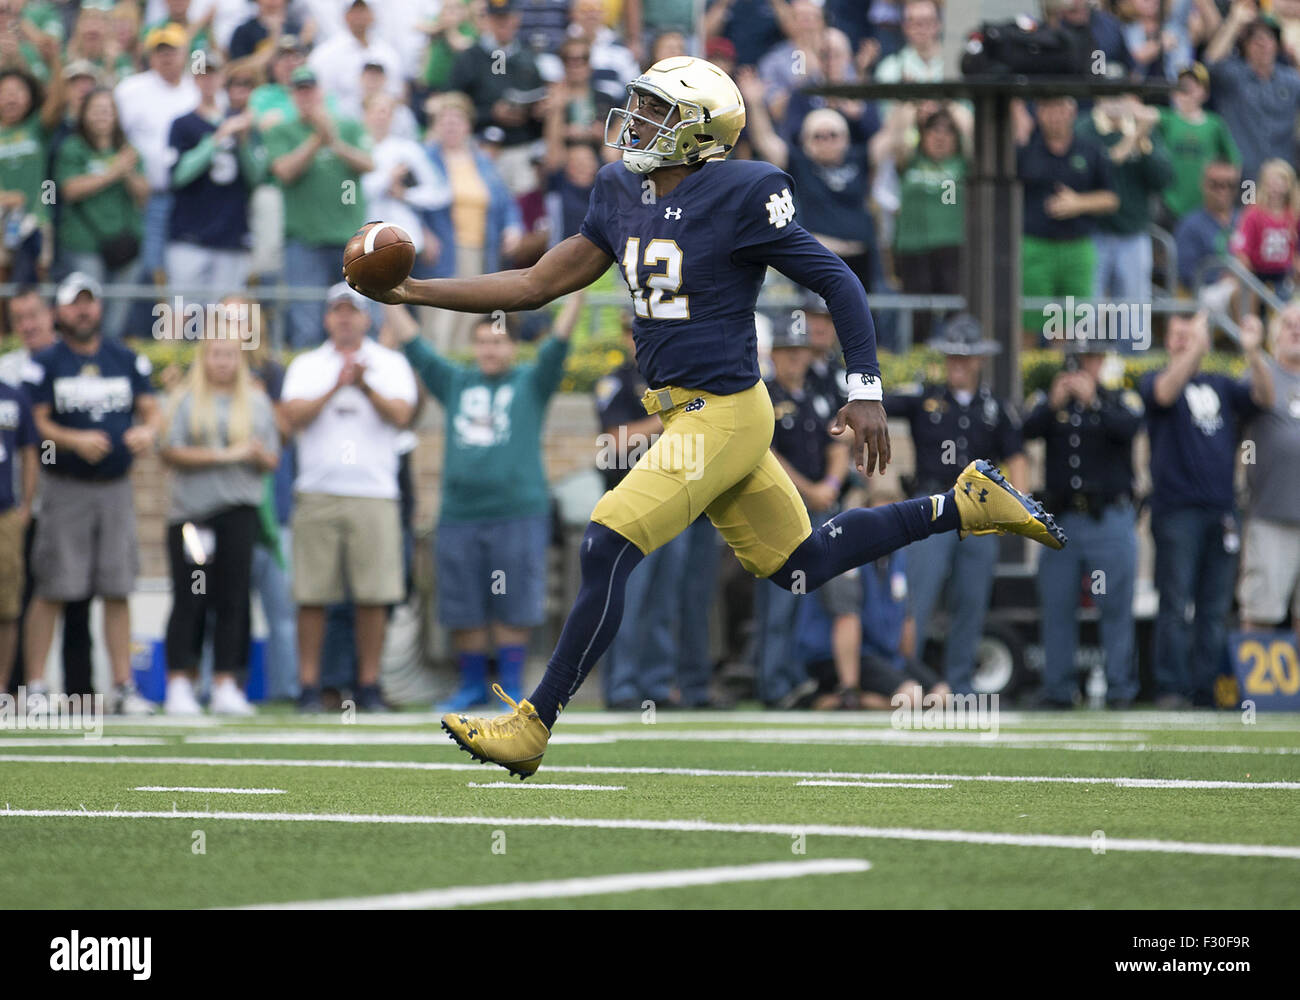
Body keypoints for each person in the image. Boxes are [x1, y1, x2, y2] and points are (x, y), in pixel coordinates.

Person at [348, 56, 1066, 779]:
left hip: (720, 414)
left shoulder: (744, 192)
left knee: (606, 541)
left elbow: (837, 279)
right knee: (800, 565)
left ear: (699, 131)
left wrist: (867, 387)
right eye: (640, 105)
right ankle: (965, 504)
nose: (638, 121)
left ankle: (534, 724)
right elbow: (535, 283)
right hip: (692, 415)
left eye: (657, 111)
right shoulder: (618, 190)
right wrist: (416, 291)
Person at [394, 296, 579, 709]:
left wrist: (579, 292)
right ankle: (473, 685)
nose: (489, 350)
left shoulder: (532, 381)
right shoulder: (456, 381)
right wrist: (385, 296)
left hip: (518, 512)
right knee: (463, 604)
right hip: (459, 515)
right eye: (482, 343)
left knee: (514, 601)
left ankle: (509, 685)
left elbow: (559, 343)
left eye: (496, 343)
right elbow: (416, 348)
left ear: (513, 346)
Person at [21, 273, 161, 715]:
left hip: (115, 488)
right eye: (74, 303)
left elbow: (152, 410)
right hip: (66, 487)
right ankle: (37, 685)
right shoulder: (46, 363)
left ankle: (122, 686)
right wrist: (72, 440)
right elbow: (35, 422)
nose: (83, 310)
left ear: (99, 308)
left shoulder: (125, 359)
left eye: (89, 302)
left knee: (117, 587)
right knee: (54, 586)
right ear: (60, 312)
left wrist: (147, 432)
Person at [280, 283, 417, 712]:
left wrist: (364, 386)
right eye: (338, 312)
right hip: (317, 491)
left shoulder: (390, 363)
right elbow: (290, 418)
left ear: (366, 319)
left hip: (374, 492)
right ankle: (308, 686)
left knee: (374, 595)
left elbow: (402, 416)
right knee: (312, 595)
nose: (344, 318)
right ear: (327, 319)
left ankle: (368, 685)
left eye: (352, 312)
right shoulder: (307, 364)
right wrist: (337, 385)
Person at [883, 314, 1028, 697]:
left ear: (979, 360)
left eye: (965, 358)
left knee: (971, 601)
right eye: (952, 357)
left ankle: (958, 683)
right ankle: (905, 679)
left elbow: (1018, 457)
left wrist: (1018, 508)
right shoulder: (924, 397)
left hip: (979, 513)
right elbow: (878, 404)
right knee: (917, 598)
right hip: (932, 506)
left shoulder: (995, 407)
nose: (957, 365)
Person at [1142, 311, 1272, 708]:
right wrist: (1197, 346)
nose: (1186, 341)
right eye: (1178, 336)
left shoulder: (1220, 384)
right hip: (1175, 510)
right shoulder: (1154, 381)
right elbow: (1165, 393)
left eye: (1191, 335)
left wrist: (1253, 352)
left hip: (1221, 509)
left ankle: (1205, 688)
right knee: (1176, 602)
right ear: (1168, 342)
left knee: (1214, 607)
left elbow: (1265, 398)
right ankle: (1171, 687)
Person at [159, 334, 279, 716]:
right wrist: (227, 455)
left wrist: (257, 456)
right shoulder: (184, 399)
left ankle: (226, 682)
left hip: (238, 513)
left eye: (230, 355)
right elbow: (170, 451)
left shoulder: (257, 402)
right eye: (216, 354)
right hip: (193, 516)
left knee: (234, 598)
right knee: (191, 595)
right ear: (204, 358)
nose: (223, 362)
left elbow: (272, 460)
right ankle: (181, 681)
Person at [1024, 337, 1144, 708]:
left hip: (1106, 516)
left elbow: (1129, 428)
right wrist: (1052, 404)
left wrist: (1093, 401)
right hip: (1062, 518)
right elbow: (1023, 431)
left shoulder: (1118, 398)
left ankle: (1120, 688)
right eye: (1078, 359)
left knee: (1114, 607)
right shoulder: (1047, 401)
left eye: (1091, 359)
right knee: (1057, 605)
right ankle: (1058, 689)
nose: (1083, 367)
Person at [755, 323, 861, 708]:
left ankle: (794, 678)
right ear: (773, 355)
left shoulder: (816, 395)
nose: (795, 357)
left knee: (806, 598)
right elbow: (767, 454)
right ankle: (773, 684)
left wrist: (832, 484)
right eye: (786, 350)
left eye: (800, 350)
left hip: (818, 507)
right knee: (779, 600)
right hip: (779, 511)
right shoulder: (763, 396)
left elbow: (838, 444)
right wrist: (810, 489)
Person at [593, 311, 690, 709]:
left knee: (664, 602)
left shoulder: (679, 378)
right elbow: (614, 441)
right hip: (632, 506)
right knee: (629, 602)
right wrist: (663, 419)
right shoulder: (617, 383)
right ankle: (622, 687)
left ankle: (657, 683)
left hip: (676, 501)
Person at [265, 65, 374, 348]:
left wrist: (335, 142)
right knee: (307, 322)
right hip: (304, 239)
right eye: (300, 91)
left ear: (321, 92)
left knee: (359, 316)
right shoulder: (281, 130)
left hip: (349, 239)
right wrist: (318, 139)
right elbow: (285, 171)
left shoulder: (348, 125)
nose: (306, 96)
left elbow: (369, 163)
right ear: (293, 96)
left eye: (310, 89)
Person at [165, 53, 264, 310]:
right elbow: (178, 176)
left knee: (225, 315)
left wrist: (242, 142)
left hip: (230, 234)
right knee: (181, 313)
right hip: (189, 233)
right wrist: (218, 138)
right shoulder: (182, 124)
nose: (207, 80)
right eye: (202, 74)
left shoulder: (241, 122)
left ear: (222, 78)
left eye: (212, 73)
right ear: (194, 79)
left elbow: (256, 178)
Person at [1016, 96, 1118, 341]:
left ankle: (1063, 375)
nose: (1055, 116)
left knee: (1070, 328)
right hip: (1034, 246)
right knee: (1028, 324)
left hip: (1077, 246)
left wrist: (1079, 203)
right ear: (1038, 113)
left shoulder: (1090, 150)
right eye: (1048, 108)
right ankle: (1027, 377)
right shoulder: (1024, 149)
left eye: (1061, 108)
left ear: (1072, 112)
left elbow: (1111, 199)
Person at [53, 86, 147, 341]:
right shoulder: (73, 148)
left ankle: (108, 359)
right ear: (83, 115)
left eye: (107, 110)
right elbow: (69, 189)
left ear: (116, 115)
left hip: (124, 242)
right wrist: (113, 172)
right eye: (96, 110)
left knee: (117, 314)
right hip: (84, 242)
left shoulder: (128, 150)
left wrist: (127, 172)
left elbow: (143, 195)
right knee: (88, 310)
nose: (102, 116)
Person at [1076, 94, 1172, 337]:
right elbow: (1104, 165)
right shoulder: (1085, 128)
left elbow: (1164, 178)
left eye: (1121, 94)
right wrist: (1136, 135)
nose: (1116, 102)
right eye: (1111, 94)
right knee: (1088, 313)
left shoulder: (1143, 128)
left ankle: (1132, 371)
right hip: (1090, 234)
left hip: (1133, 233)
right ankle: (1081, 366)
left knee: (1133, 316)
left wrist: (1143, 141)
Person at [1237, 305, 1300, 654]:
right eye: (1288, 325)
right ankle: (1255, 699)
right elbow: (1256, 405)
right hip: (1270, 514)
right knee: (1260, 608)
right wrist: (1252, 351)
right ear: (1275, 336)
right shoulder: (1262, 375)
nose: (1295, 331)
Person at [1204, 3, 1300, 181]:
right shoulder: (1233, 76)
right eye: (1255, 38)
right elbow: (1210, 63)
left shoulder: (1291, 80)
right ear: (1245, 45)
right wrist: (1234, 22)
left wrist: (1295, 58)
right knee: (1248, 207)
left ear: (1278, 45)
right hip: (1246, 176)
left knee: (1278, 209)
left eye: (1269, 38)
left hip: (1282, 176)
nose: (1262, 43)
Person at [0, 47, 65, 284]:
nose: (11, 97)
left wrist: (54, 60)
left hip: (36, 220)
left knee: (38, 285)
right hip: (1, 221)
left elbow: (59, 102)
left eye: (18, 91)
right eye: (4, 91)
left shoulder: (36, 128)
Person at [1156, 63, 1240, 228]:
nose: (1187, 89)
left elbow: (1234, 161)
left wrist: (1223, 196)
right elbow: (1145, 115)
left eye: (1194, 85)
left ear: (1205, 93)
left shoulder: (1214, 123)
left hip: (1205, 207)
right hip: (1170, 203)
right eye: (1182, 85)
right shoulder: (1167, 118)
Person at [0, 368, 36, 693]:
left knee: (8, 603)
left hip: (4, 513)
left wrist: (25, 505)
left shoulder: (13, 396)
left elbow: (30, 450)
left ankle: (1, 689)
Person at [1228, 157, 1299, 318]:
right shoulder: (1253, 213)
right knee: (1253, 309)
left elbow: (1295, 246)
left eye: (1281, 181)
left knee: (1287, 310)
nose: (1276, 187)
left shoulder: (1293, 215)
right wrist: (1245, 272)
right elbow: (1241, 248)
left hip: (1283, 275)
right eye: (1272, 182)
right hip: (1257, 274)